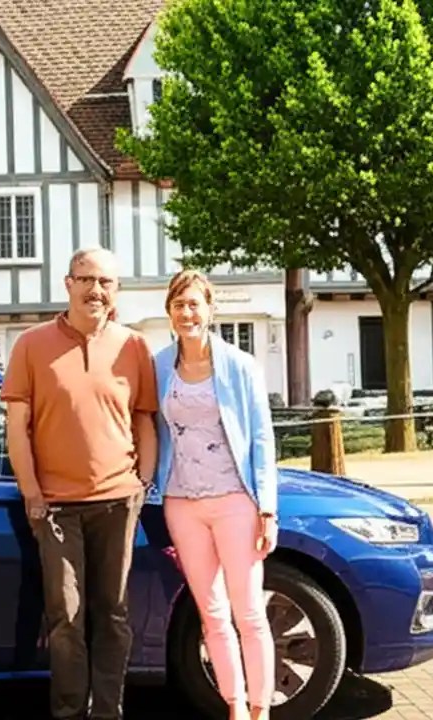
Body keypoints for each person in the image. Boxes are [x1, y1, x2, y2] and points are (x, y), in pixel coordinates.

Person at [1, 247, 159, 720]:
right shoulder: (31, 344)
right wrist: (31, 491)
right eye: (86, 279)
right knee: (66, 618)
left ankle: (108, 711)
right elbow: (16, 426)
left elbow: (144, 421)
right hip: (56, 508)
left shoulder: (133, 346)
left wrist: (143, 483)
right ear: (67, 284)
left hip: (117, 501)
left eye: (105, 281)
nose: (95, 289)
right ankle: (70, 711)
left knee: (113, 614)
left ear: (117, 291)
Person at [147, 269, 278, 720]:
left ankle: (261, 708)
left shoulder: (240, 366)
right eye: (179, 304)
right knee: (212, 613)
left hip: (235, 500)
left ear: (210, 309)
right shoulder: (159, 366)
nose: (187, 313)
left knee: (249, 611)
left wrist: (268, 508)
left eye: (194, 304)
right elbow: (151, 430)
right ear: (169, 311)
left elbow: (262, 437)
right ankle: (235, 706)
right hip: (182, 502)